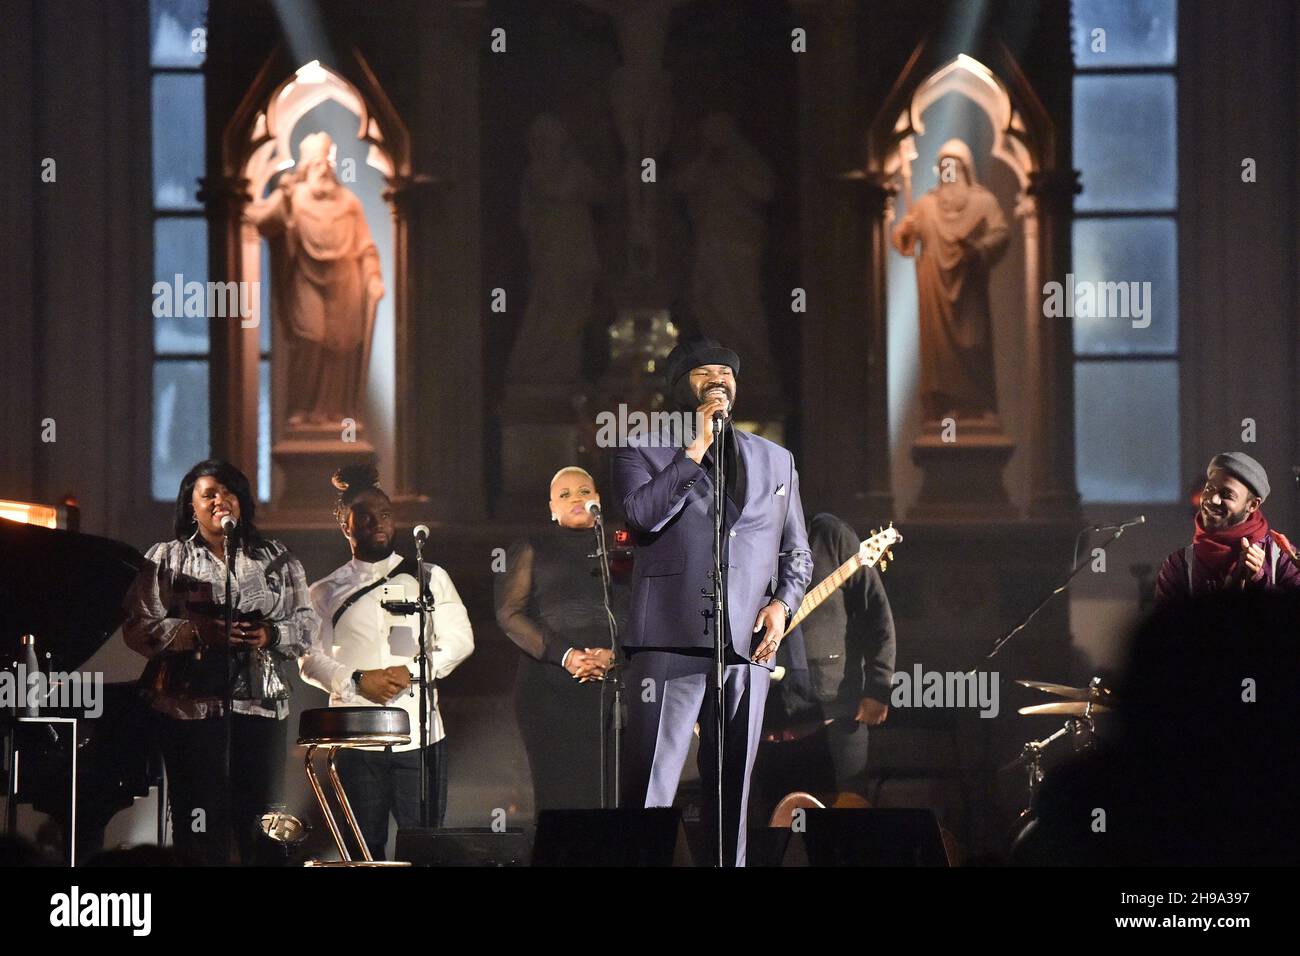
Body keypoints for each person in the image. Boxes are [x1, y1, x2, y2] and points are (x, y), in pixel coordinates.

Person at [612, 337, 812, 866]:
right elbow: (641, 516)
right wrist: (693, 450)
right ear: (681, 386)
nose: (719, 380)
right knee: (652, 789)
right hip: (668, 644)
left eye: (727, 373)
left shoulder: (776, 460)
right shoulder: (642, 447)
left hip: (745, 649)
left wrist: (783, 605)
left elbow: (798, 552)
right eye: (705, 373)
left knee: (733, 795)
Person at [123, 459, 317, 865]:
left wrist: (272, 634)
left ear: (242, 503)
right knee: (198, 813)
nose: (219, 501)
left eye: (228, 493)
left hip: (260, 703)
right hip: (189, 705)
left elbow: (307, 625)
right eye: (208, 494)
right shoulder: (167, 559)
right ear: (190, 505)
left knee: (263, 816)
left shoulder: (275, 559)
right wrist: (194, 634)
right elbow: (138, 627)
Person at [300, 465, 473, 856]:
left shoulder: (429, 576)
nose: (378, 523)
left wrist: (408, 672)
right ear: (346, 525)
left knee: (423, 847)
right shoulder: (323, 591)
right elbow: (309, 658)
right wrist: (358, 680)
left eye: (385, 514)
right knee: (363, 849)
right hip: (354, 740)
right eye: (364, 515)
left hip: (420, 736)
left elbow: (460, 640)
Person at [752, 512, 896, 818]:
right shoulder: (747, 537)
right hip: (766, 726)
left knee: (843, 827)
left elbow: (878, 618)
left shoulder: (831, 535)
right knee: (770, 834)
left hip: (834, 721)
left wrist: (878, 686)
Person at [494, 466, 621, 812]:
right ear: (552, 508)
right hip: (549, 692)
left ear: (597, 499)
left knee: (613, 797)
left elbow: (645, 610)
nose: (576, 499)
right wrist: (567, 655)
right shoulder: (533, 548)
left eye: (584, 491)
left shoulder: (621, 548)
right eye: (564, 495)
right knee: (560, 800)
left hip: (615, 690)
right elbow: (510, 614)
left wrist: (615, 655)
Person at [891, 138, 1009, 421]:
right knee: (938, 354)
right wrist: (907, 229)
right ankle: (942, 409)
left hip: (968, 291)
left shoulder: (984, 202)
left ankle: (976, 408)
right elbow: (901, 242)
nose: (949, 173)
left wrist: (979, 249)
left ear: (965, 169)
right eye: (944, 167)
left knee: (974, 345)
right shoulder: (926, 205)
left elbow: (1001, 233)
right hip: (935, 292)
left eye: (954, 167)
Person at [1154, 452, 1300, 607]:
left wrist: (1260, 582)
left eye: (1226, 495)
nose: (1212, 499)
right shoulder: (1179, 565)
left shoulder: (1281, 556)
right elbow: (1166, 628)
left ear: (1252, 505)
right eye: (1209, 488)